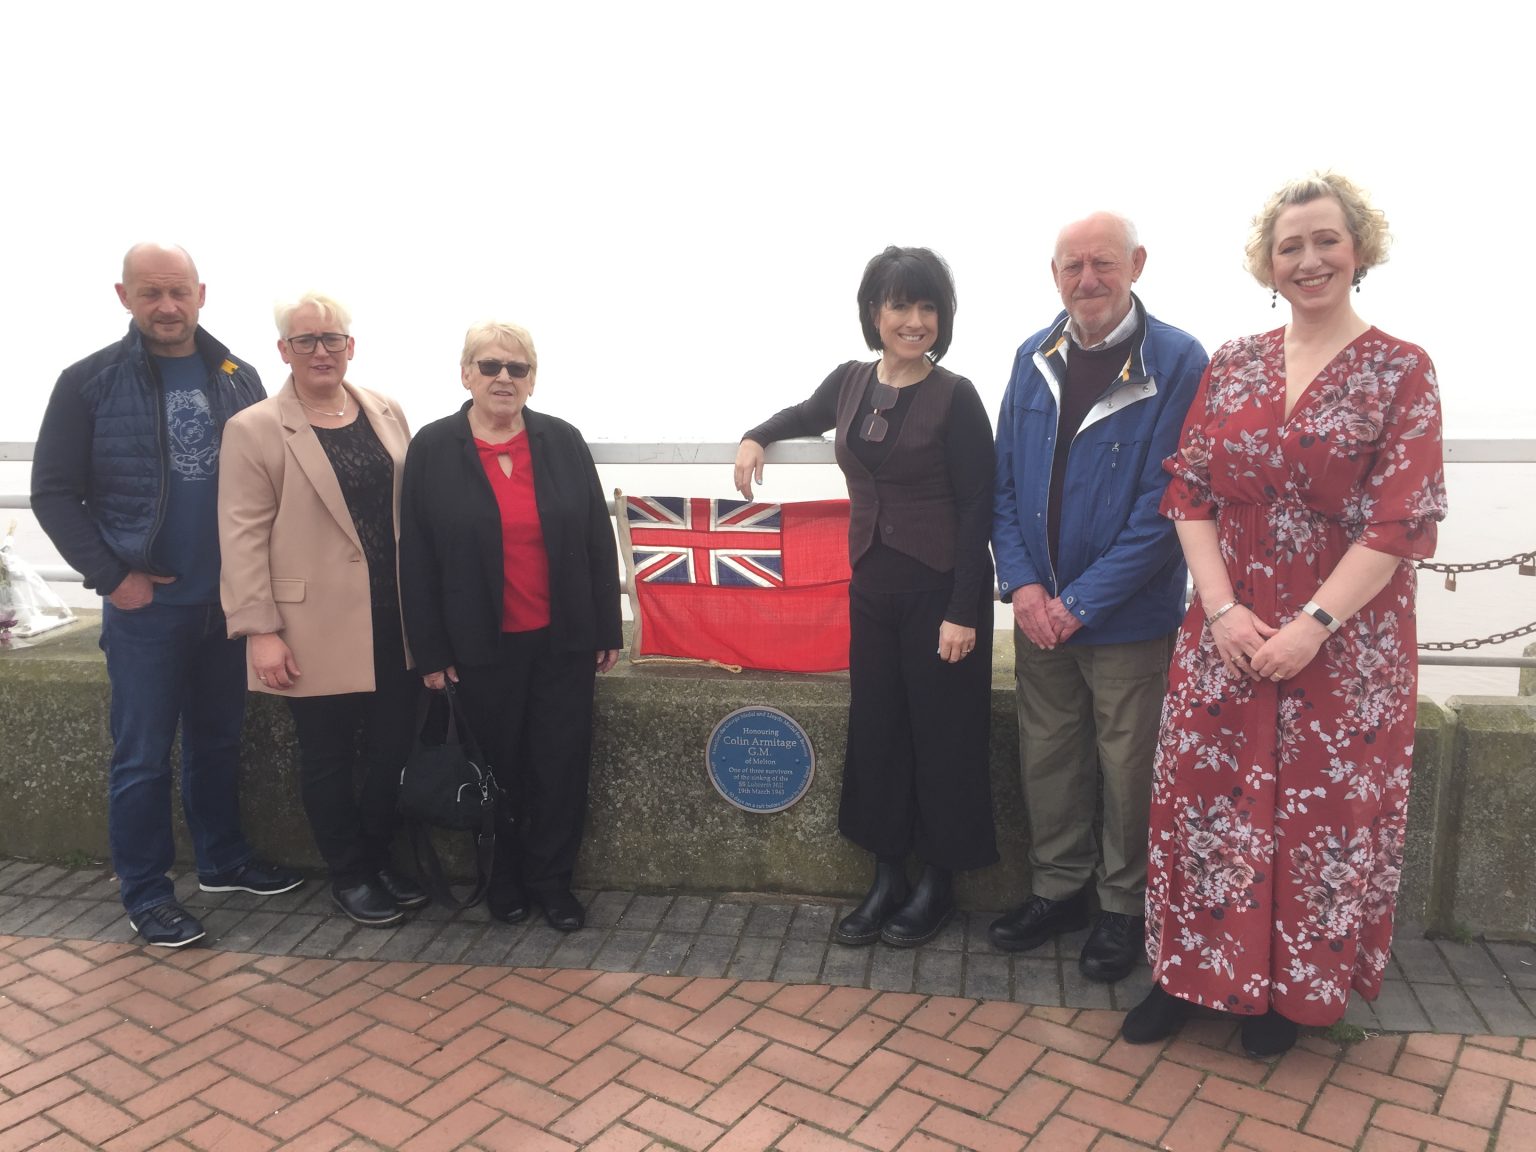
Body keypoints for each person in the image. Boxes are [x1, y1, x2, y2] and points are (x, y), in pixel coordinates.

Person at [1122, 173, 1447, 1058]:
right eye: (1291, 246)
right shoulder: (1233, 362)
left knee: (1319, 824)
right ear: (1269, 263)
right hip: (1224, 630)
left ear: (1359, 251)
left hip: (1345, 646)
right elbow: (1187, 493)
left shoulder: (1400, 369)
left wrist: (1313, 625)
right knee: (1201, 806)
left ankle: (1282, 999)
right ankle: (1185, 978)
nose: (1309, 259)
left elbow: (1399, 521)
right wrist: (1221, 609)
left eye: (1326, 241)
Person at [30, 243, 301, 948]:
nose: (167, 307)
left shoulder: (237, 376)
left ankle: (223, 860)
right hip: (146, 611)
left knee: (218, 740)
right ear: (124, 297)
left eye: (178, 292)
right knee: (142, 756)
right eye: (151, 293)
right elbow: (53, 494)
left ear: (201, 293)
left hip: (228, 606)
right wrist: (114, 579)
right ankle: (147, 894)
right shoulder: (87, 382)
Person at [735, 246, 996, 948]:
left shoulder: (957, 396)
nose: (914, 320)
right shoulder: (850, 381)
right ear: (873, 313)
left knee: (942, 739)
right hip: (873, 589)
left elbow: (979, 508)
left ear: (942, 317)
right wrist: (757, 436)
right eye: (899, 305)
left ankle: (938, 883)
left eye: (926, 307)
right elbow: (804, 413)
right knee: (878, 734)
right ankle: (888, 878)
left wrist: (964, 611)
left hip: (939, 591)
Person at [991, 214, 1207, 982]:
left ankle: (1123, 907)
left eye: (1103, 264)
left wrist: (1078, 602)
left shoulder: (1179, 361)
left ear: (1137, 264)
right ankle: (1059, 889)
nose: (1088, 280)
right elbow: (1005, 487)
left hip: (1126, 620)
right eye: (1072, 266)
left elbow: (1168, 505)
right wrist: (1021, 586)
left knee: (1128, 766)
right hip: (1038, 613)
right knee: (1047, 758)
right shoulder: (1032, 356)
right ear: (1054, 275)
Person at [399, 322, 622, 933]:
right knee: (496, 768)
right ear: (465, 373)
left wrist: (608, 626)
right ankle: (502, 879)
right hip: (477, 647)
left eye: (517, 369)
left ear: (532, 379)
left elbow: (595, 541)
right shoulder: (434, 447)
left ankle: (553, 882)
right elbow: (414, 556)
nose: (504, 378)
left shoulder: (562, 441)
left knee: (560, 764)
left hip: (562, 640)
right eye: (490, 366)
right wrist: (430, 650)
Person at [218, 293, 425, 927]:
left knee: (391, 750)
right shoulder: (254, 427)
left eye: (331, 339)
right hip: (311, 626)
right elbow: (241, 533)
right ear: (283, 350)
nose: (320, 351)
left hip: (395, 619)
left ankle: (380, 857)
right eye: (304, 341)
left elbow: (413, 511)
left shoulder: (385, 410)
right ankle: (351, 874)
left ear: (351, 346)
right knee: (328, 756)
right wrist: (261, 631)